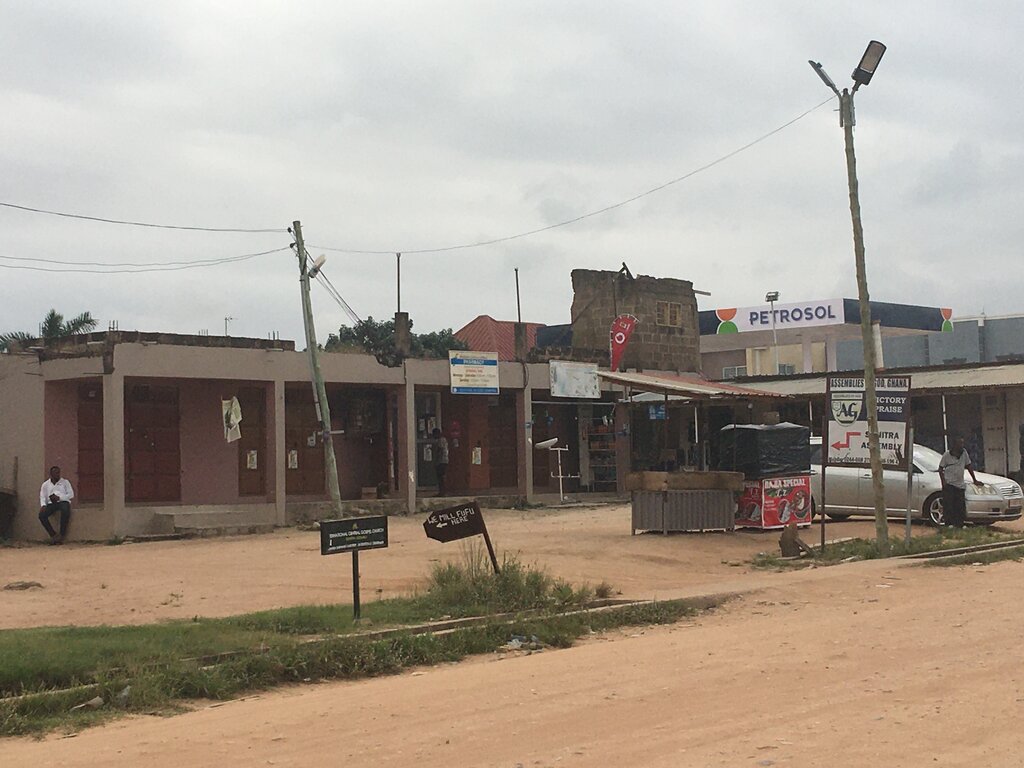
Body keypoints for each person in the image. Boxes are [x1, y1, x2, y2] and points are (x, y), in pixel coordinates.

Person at [938, 437, 981, 528]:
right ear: (954, 445)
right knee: (949, 505)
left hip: (960, 484)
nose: (962, 446)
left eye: (962, 443)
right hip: (949, 484)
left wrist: (974, 479)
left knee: (960, 506)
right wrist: (943, 482)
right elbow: (940, 469)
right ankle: (949, 524)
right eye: (959, 444)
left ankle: (959, 524)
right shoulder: (947, 455)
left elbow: (969, 466)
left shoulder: (964, 453)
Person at [39, 465, 74, 544]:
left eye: (58, 473)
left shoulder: (65, 482)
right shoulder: (45, 484)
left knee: (65, 510)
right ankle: (53, 535)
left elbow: (71, 495)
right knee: (41, 515)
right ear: (51, 474)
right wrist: (43, 505)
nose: (57, 475)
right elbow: (42, 496)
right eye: (55, 473)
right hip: (51, 503)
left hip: (63, 502)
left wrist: (59, 498)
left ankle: (62, 534)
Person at [432, 427, 449, 497]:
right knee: (441, 477)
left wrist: (436, 460)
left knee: (441, 477)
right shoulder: (443, 440)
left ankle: (443, 492)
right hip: (444, 461)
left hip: (441, 461)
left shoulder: (441, 440)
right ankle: (442, 491)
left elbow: (440, 450)